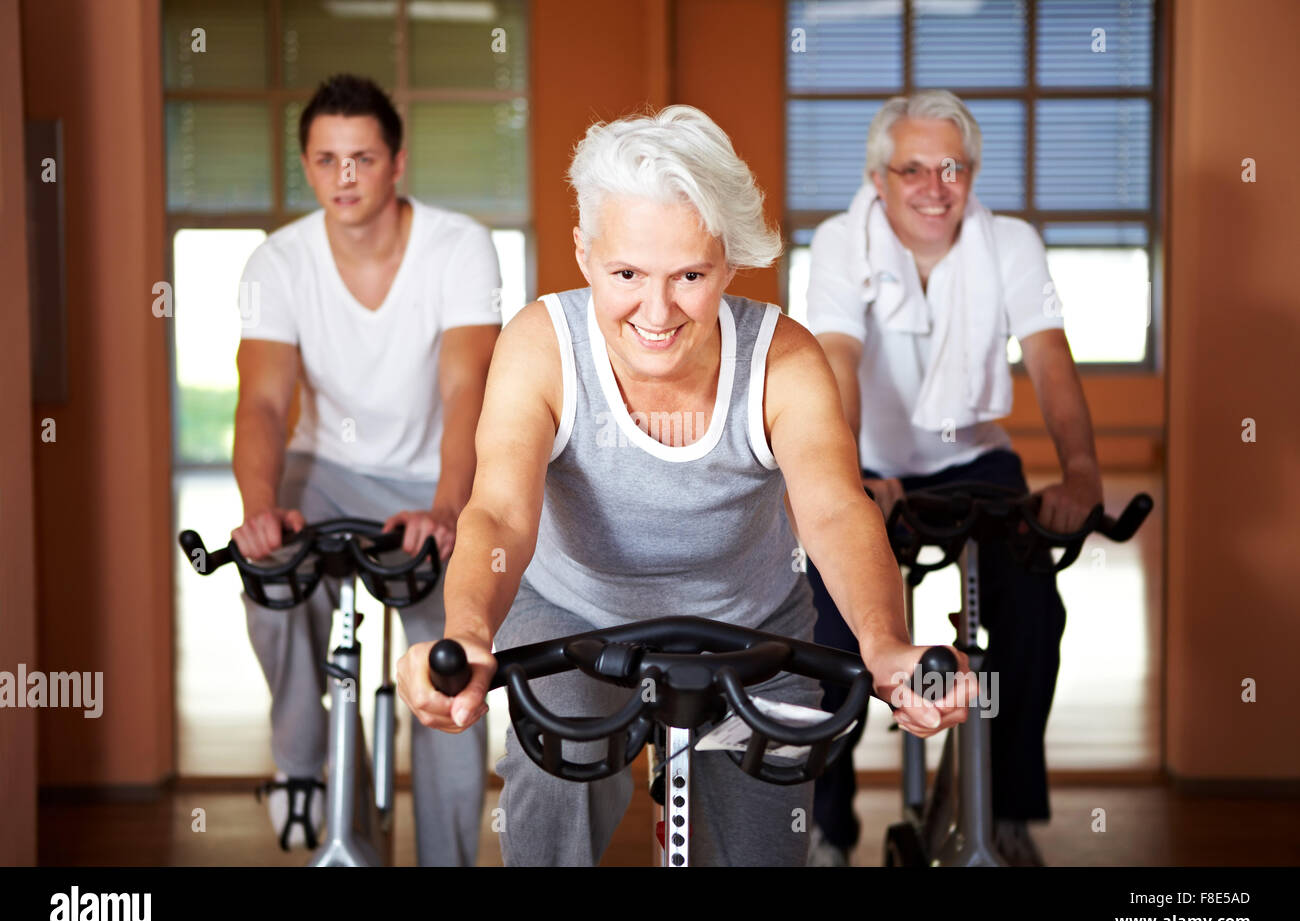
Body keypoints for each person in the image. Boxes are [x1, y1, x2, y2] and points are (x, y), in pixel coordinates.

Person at [394, 104, 975, 867]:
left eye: (691, 276)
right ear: (584, 255)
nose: (657, 311)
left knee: (761, 847)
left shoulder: (782, 357)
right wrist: (468, 630)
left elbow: (835, 509)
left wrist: (884, 643)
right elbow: (500, 514)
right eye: (627, 274)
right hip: (572, 620)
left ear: (729, 265)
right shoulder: (541, 344)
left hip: (749, 622)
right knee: (551, 793)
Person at [801, 90, 1104, 867]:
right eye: (913, 170)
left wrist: (1081, 473)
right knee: (830, 631)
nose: (936, 188)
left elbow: (1048, 359)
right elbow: (836, 361)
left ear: (970, 174)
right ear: (879, 179)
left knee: (1033, 610)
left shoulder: (1009, 242)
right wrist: (844, 478)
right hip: (866, 456)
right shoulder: (841, 241)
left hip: (974, 458)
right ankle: (827, 829)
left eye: (953, 168)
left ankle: (1003, 811)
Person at [231, 74, 499, 865]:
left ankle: (446, 858)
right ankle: (302, 761)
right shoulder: (276, 262)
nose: (344, 177)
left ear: (397, 163)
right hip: (326, 470)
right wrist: (257, 507)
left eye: (363, 158)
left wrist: (449, 510)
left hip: (431, 476)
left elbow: (466, 392)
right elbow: (265, 405)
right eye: (327, 159)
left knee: (452, 665)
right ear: (308, 167)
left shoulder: (458, 246)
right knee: (268, 570)